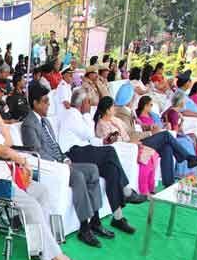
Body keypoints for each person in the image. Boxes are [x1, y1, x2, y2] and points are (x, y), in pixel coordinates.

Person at [0, 97, 85, 260]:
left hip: (9, 176)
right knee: (33, 206)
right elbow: (3, 150)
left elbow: (7, 143)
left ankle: (40, 245)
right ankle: (55, 257)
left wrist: (1, 123)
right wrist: (22, 160)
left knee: (42, 192)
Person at [20, 84, 107, 248]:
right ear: (35, 103)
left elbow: (55, 146)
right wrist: (58, 164)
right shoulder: (29, 124)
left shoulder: (46, 122)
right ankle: (84, 227)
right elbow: (35, 151)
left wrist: (65, 159)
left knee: (93, 170)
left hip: (60, 163)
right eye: (45, 101)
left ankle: (95, 219)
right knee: (78, 176)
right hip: (49, 169)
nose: (48, 104)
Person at [58, 88, 147, 230]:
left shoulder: (77, 115)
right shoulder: (72, 114)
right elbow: (88, 132)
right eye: (88, 101)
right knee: (110, 151)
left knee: (111, 169)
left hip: (83, 150)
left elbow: (90, 139)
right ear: (83, 103)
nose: (90, 104)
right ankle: (127, 191)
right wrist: (87, 114)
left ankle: (117, 217)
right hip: (74, 153)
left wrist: (103, 142)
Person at [94, 96, 160, 194]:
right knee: (145, 156)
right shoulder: (101, 125)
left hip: (129, 144)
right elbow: (111, 143)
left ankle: (150, 186)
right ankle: (143, 189)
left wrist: (146, 127)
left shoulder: (115, 120)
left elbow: (130, 132)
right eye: (113, 107)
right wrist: (131, 143)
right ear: (107, 110)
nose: (115, 108)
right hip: (121, 149)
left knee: (153, 153)